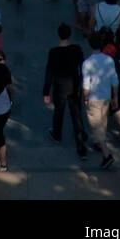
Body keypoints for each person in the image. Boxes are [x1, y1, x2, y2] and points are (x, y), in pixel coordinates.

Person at [43, 23, 87, 155]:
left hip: (60, 86)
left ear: (58, 35)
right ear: (70, 35)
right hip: (74, 84)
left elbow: (49, 72)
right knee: (76, 113)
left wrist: (46, 91)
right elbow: (82, 67)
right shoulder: (77, 49)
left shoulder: (54, 52)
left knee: (59, 110)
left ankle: (57, 133)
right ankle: (80, 142)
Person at [81, 31, 118, 169]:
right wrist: (115, 97)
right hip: (106, 97)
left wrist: (85, 97)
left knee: (96, 127)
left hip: (94, 99)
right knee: (103, 121)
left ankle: (106, 155)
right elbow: (115, 80)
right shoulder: (109, 60)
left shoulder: (87, 63)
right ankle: (98, 143)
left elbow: (86, 85)